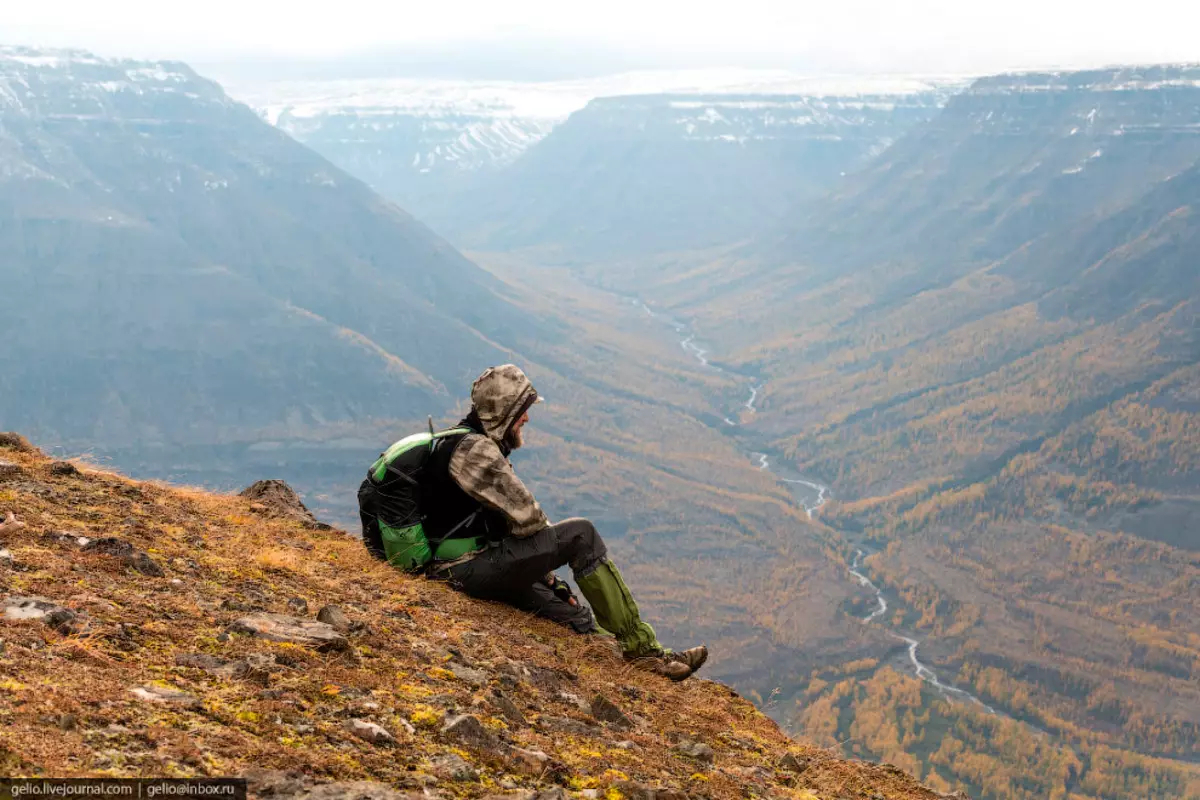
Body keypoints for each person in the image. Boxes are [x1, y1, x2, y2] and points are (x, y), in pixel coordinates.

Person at [358, 364, 708, 681]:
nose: (526, 419)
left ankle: (638, 667)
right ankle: (645, 650)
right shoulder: (477, 452)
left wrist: (549, 583)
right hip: (460, 571)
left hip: (462, 567)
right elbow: (529, 522)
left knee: (576, 622)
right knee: (581, 535)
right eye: (522, 412)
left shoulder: (456, 444)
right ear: (504, 414)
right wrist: (549, 572)